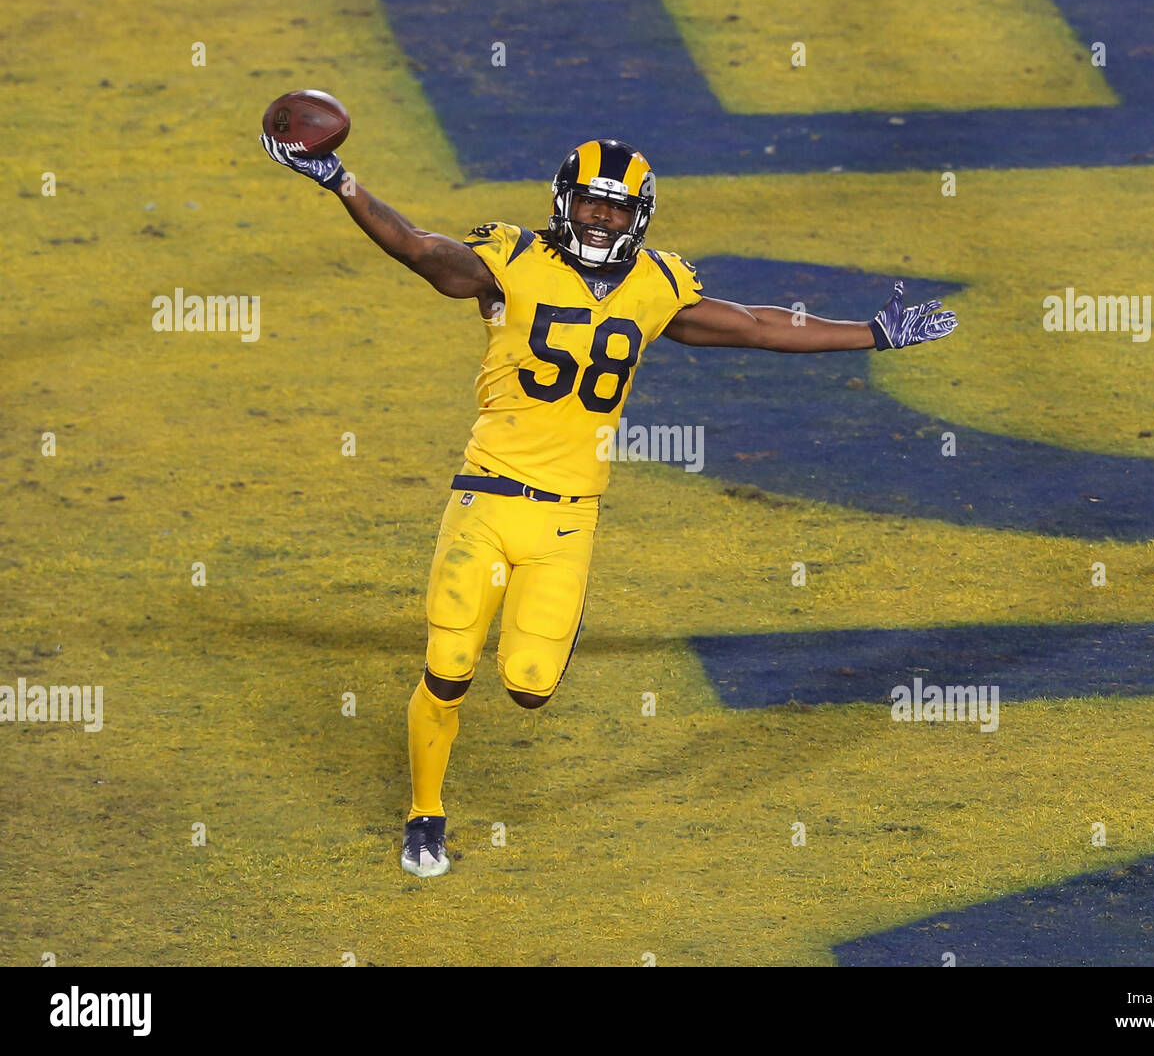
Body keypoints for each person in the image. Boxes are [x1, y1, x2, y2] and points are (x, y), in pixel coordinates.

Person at [259, 133, 958, 877]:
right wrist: (342, 183)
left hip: (568, 516)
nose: (600, 220)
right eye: (590, 202)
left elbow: (754, 326)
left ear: (641, 218)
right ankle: (424, 812)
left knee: (528, 687)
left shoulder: (655, 285)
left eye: (617, 210)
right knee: (450, 662)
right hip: (485, 498)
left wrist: (870, 334)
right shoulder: (513, 260)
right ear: (564, 201)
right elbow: (422, 250)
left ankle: (553, 622)